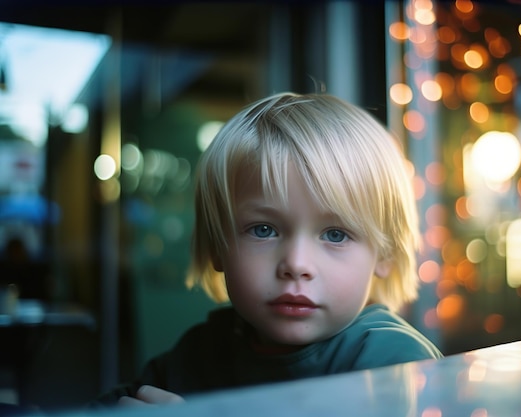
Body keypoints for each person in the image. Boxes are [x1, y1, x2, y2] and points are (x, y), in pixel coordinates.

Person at [93, 92, 443, 407]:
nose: (296, 264)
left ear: (385, 254)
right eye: (263, 230)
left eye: (335, 234)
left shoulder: (393, 361)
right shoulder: (204, 349)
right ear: (217, 245)